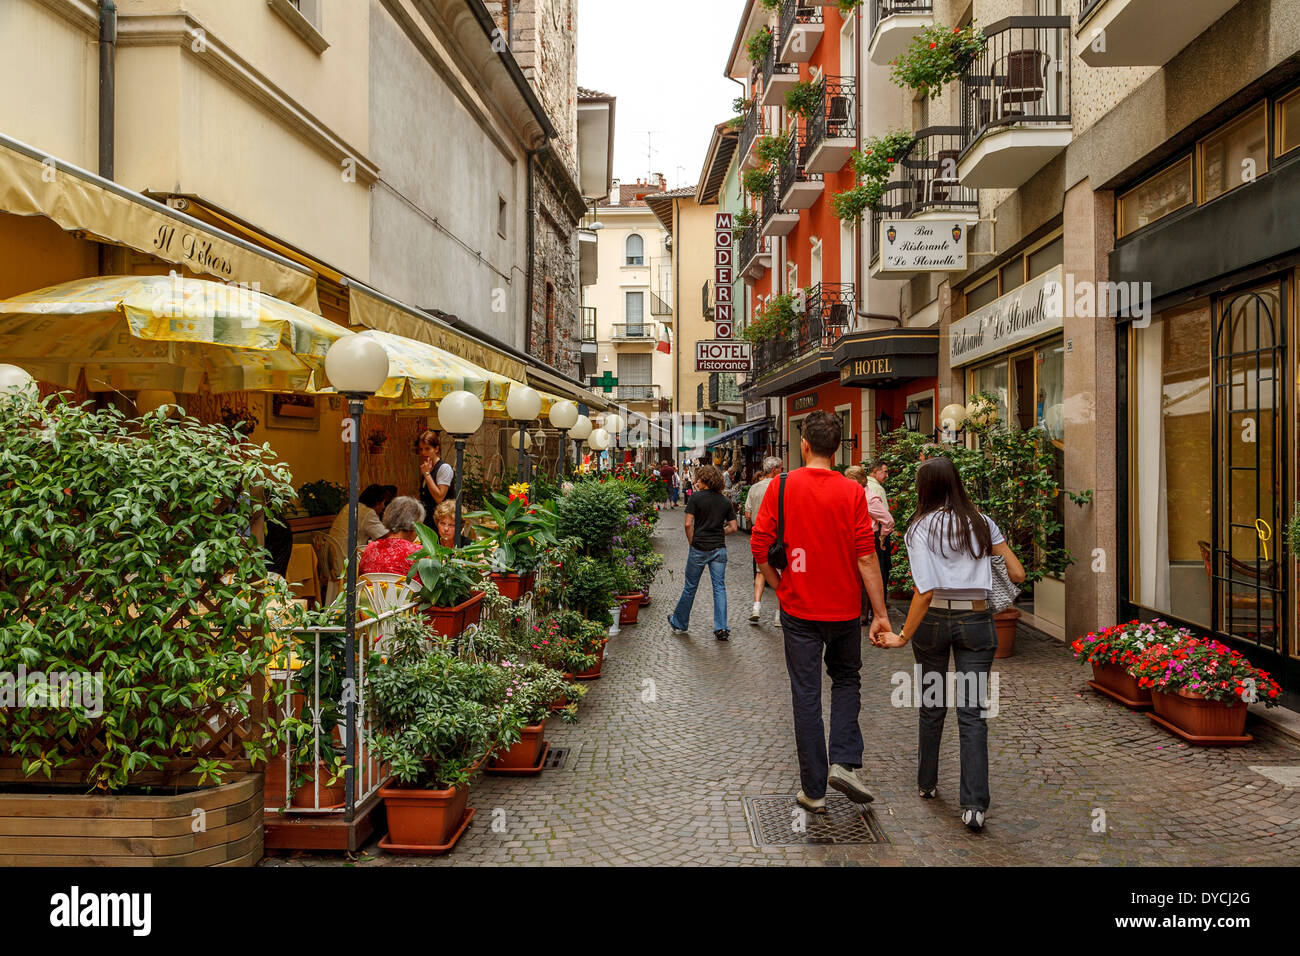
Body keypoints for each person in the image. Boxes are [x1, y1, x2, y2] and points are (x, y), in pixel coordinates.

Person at [873, 456, 1025, 832]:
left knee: (931, 702)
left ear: (925, 488)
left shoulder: (919, 529)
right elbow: (1019, 573)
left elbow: (924, 592)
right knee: (972, 712)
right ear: (956, 483)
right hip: (976, 621)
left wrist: (901, 635)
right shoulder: (982, 522)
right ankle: (974, 806)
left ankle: (927, 782)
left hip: (934, 622)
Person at [751, 410, 891, 815]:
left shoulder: (780, 488)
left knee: (806, 694)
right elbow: (867, 557)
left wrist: (780, 587)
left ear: (804, 445)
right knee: (847, 680)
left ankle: (813, 789)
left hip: (799, 610)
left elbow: (759, 547)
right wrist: (880, 613)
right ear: (838, 448)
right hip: (845, 609)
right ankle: (844, 762)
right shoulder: (852, 492)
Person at [668, 464, 737, 641]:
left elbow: (688, 524)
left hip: (699, 547)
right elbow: (733, 527)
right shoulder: (724, 501)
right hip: (719, 549)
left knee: (690, 587)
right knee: (719, 588)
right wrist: (721, 533)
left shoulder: (696, 498)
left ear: (704, 479)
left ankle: (679, 621)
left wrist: (692, 541)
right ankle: (721, 628)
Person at [745, 456, 784, 627]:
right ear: (774, 470)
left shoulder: (754, 488)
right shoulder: (782, 487)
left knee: (761, 572)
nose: (782, 472)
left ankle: (756, 608)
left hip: (759, 536)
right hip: (778, 535)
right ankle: (779, 615)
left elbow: (747, 514)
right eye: (781, 469)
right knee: (783, 574)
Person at [327, 483, 396, 578]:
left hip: (333, 561)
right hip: (348, 563)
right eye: (383, 502)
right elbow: (388, 537)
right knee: (386, 565)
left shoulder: (350, 506)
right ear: (377, 502)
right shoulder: (367, 513)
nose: (383, 506)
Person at [358, 496, 425, 577]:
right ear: (415, 525)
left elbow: (362, 580)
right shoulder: (418, 553)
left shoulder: (370, 549)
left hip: (372, 590)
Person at [415, 429, 456, 519]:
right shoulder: (428, 467)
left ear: (436, 449)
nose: (423, 453)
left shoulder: (444, 468)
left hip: (442, 522)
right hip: (427, 519)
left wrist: (427, 474)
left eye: (427, 449)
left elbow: (439, 498)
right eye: (421, 449)